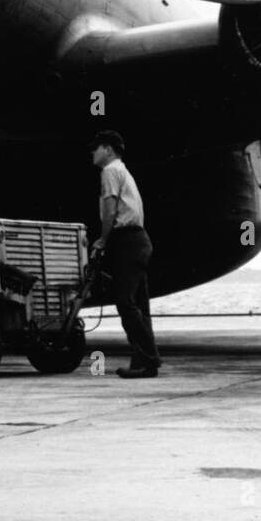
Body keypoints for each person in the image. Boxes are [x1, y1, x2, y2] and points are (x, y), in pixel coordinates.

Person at [89, 129, 162, 378]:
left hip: (127, 241)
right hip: (138, 240)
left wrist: (102, 240)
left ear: (108, 149)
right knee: (139, 304)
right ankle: (144, 361)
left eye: (96, 147)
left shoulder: (109, 171)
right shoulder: (123, 170)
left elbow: (110, 212)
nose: (92, 152)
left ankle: (148, 359)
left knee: (125, 301)